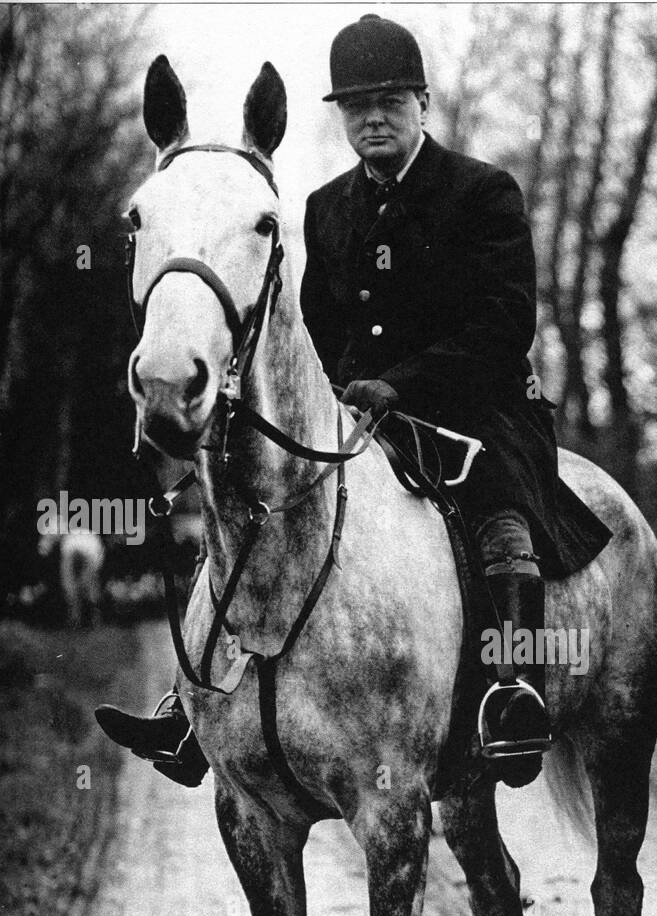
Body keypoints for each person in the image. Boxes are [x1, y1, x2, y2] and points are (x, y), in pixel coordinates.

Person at [98, 14, 610, 791]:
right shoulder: (327, 207)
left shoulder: (481, 192)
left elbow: (505, 324)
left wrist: (404, 384)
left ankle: (514, 688)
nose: (373, 117)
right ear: (339, 115)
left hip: (477, 407)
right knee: (255, 508)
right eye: (356, 104)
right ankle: (190, 702)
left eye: (391, 100)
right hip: (358, 414)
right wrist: (320, 399)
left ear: (423, 103)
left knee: (499, 511)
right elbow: (314, 330)